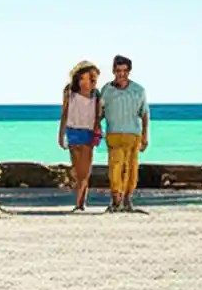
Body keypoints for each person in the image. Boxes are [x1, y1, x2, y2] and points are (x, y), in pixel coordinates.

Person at [98, 54, 149, 213]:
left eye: (125, 70)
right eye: (118, 70)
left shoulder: (138, 90)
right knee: (115, 168)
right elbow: (100, 111)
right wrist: (96, 127)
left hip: (133, 134)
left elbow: (145, 113)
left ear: (129, 71)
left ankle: (127, 200)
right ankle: (115, 201)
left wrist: (145, 135)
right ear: (114, 70)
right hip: (114, 134)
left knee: (131, 169)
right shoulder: (107, 90)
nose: (121, 74)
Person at [58, 61, 101, 212]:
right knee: (77, 170)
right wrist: (61, 134)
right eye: (87, 78)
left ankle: (80, 202)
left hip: (88, 132)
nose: (89, 82)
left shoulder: (96, 94)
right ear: (79, 78)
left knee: (86, 170)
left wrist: (98, 128)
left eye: (93, 79)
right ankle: (80, 200)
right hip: (73, 131)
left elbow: (98, 115)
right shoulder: (70, 92)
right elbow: (64, 113)